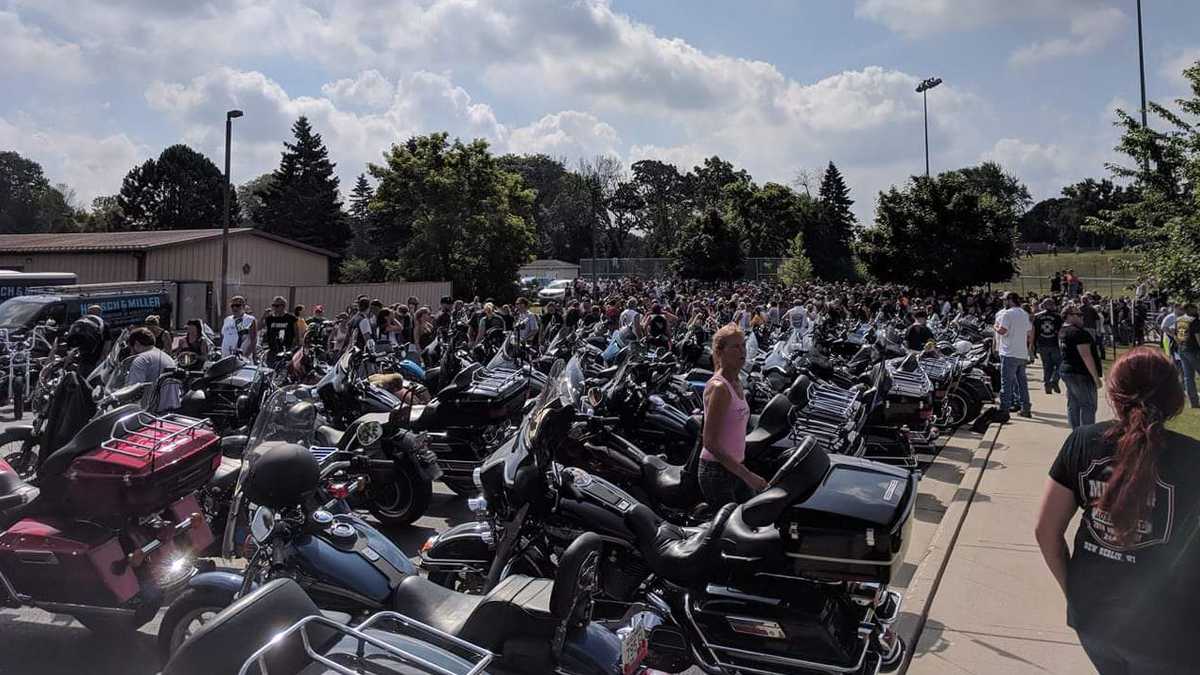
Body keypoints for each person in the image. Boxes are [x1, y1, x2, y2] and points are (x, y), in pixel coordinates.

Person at [1035, 348, 1197, 675]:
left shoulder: (1081, 441)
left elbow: (1045, 530)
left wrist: (1075, 593)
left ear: (1114, 393)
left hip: (1094, 618)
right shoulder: (1193, 458)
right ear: (1175, 397)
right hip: (1168, 631)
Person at [699, 324, 767, 506]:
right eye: (735, 347)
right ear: (720, 352)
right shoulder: (720, 388)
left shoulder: (737, 381)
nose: (742, 351)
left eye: (743, 345)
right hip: (717, 472)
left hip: (735, 468)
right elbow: (710, 442)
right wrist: (748, 476)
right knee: (731, 531)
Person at [1059, 303, 1102, 428]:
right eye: (1079, 315)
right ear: (1068, 316)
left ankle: (1076, 434)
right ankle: (1086, 436)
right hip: (1081, 374)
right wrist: (1096, 378)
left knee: (1074, 404)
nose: (1082, 317)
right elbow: (1086, 356)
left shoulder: (1063, 331)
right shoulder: (1078, 333)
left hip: (1068, 371)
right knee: (1088, 405)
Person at [994, 291, 1033, 420]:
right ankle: (1025, 408)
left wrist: (995, 327)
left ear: (1010, 300)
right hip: (1021, 352)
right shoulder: (1024, 313)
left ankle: (1004, 410)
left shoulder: (1007, 314)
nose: (1003, 302)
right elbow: (1028, 332)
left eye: (1004, 299)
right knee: (1022, 383)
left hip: (1008, 352)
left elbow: (1002, 331)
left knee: (1006, 382)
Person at [125, 327, 180, 412]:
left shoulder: (141, 359)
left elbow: (133, 390)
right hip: (172, 411)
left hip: (152, 414)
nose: (131, 353)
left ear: (136, 344)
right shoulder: (166, 357)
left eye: (130, 348)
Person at [1033, 299, 1064, 394]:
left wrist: (1033, 345)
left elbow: (1034, 332)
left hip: (1042, 344)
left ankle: (1047, 385)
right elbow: (1060, 332)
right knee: (1060, 365)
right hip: (1055, 344)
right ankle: (1054, 380)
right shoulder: (1058, 317)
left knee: (1047, 366)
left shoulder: (1037, 317)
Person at [261, 296, 300, 360]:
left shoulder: (291, 318)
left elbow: (296, 333)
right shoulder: (270, 318)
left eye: (277, 306)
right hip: (272, 349)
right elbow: (259, 328)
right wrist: (264, 316)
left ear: (283, 306)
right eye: (273, 305)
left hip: (286, 349)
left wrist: (295, 346)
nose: (274, 308)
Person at [1176, 303, 1200, 408]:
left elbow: (1177, 335)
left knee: (1188, 377)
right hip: (1193, 350)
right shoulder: (1194, 321)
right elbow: (1198, 336)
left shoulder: (1179, 320)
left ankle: (1193, 402)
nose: (1197, 311)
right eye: (1196, 309)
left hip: (1182, 349)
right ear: (1190, 309)